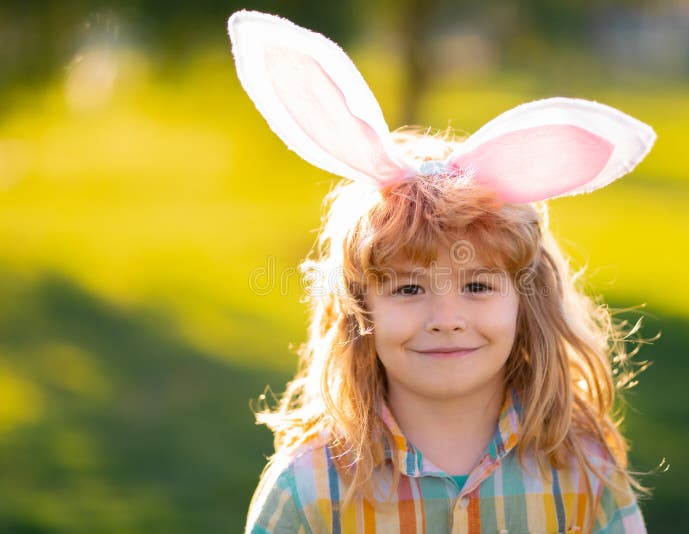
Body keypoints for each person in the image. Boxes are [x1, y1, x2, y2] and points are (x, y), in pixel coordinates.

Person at [228, 10, 657, 534]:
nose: (446, 318)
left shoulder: (582, 469)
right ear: (359, 308)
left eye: (478, 285)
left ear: (527, 300)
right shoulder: (310, 491)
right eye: (408, 288)